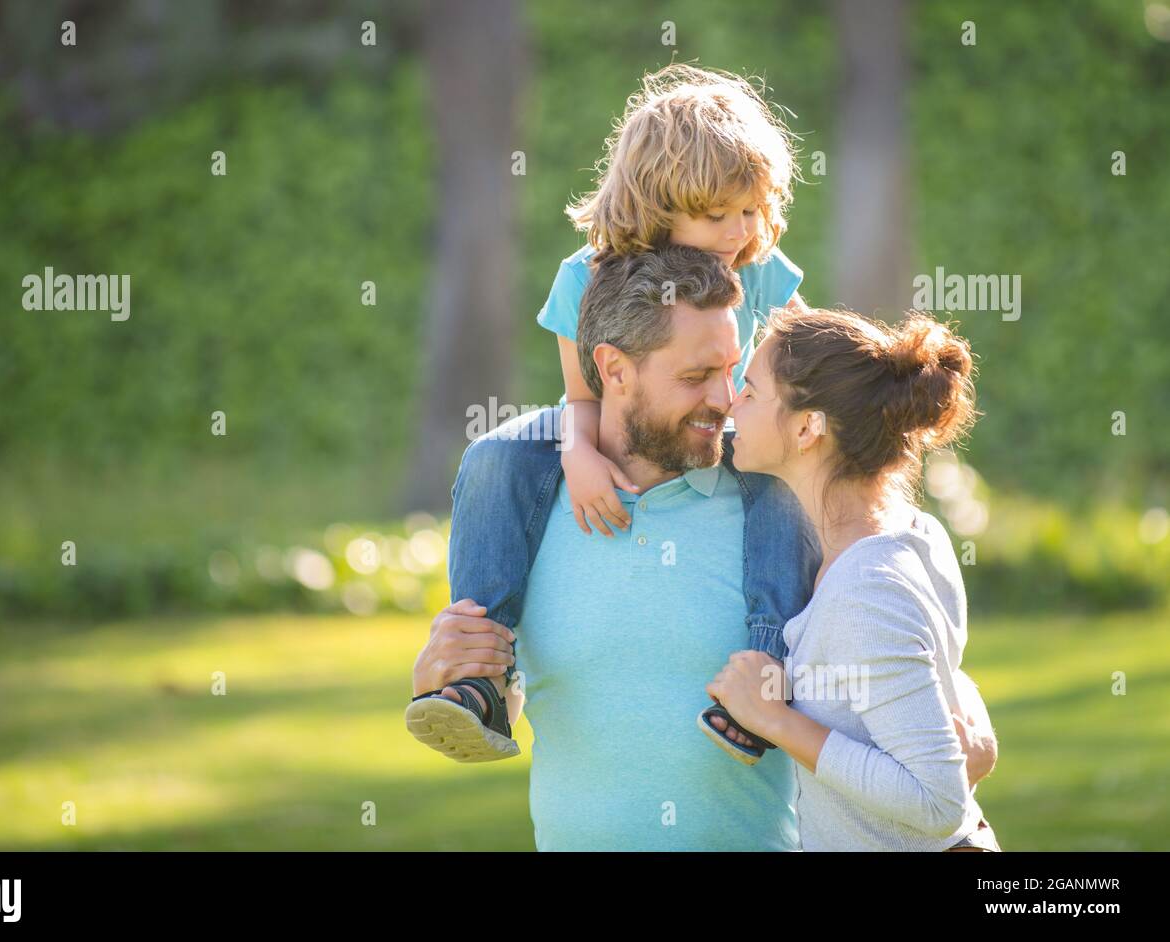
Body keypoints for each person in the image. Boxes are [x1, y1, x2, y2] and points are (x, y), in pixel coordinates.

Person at [409, 247, 997, 850]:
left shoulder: (786, 497)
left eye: (734, 372)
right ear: (613, 371)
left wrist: (965, 712)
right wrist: (449, 673)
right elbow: (544, 697)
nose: (723, 400)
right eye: (695, 377)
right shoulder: (522, 501)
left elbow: (898, 641)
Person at [406, 63, 819, 765]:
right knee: (496, 457)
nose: (737, 231)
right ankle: (479, 676)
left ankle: (761, 676)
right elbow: (581, 397)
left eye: (750, 209)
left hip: (724, 423)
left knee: (780, 500)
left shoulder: (759, 268)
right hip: (609, 424)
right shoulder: (586, 276)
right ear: (657, 206)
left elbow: (805, 359)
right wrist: (579, 455)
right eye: (715, 214)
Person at [706, 306, 1002, 851]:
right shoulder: (917, 531)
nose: (730, 405)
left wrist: (774, 720)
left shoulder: (866, 587)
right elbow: (938, 675)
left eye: (749, 391)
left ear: (806, 427)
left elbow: (937, 802)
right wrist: (975, 734)